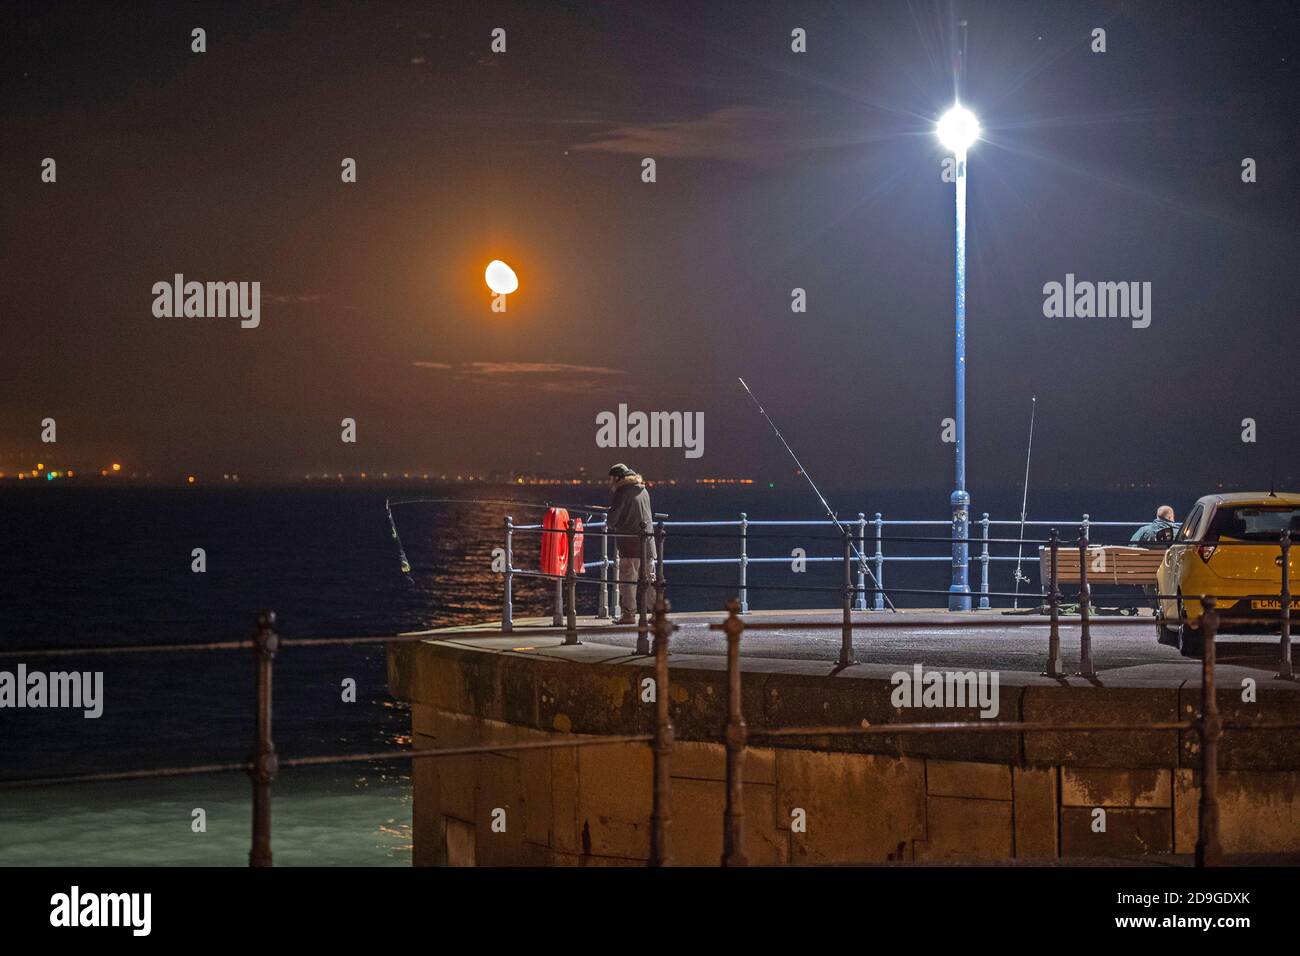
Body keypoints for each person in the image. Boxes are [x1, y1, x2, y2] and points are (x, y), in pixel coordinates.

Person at [607, 463, 656, 623]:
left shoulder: (622, 492)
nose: (610, 483)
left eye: (611, 479)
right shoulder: (643, 490)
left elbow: (612, 520)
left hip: (629, 545)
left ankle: (628, 614)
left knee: (628, 580)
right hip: (648, 543)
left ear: (618, 478)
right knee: (650, 580)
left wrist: (611, 515)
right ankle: (657, 613)